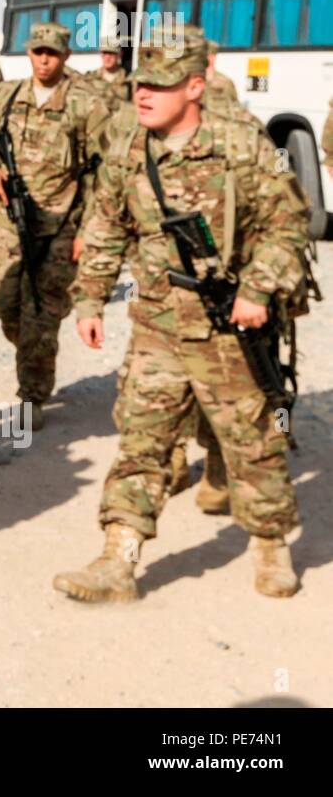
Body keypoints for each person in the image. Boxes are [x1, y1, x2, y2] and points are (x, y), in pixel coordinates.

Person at [56, 33, 306, 602]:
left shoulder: (243, 143)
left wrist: (259, 289)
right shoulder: (127, 144)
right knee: (142, 441)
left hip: (230, 327)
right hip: (158, 325)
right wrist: (90, 298)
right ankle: (117, 559)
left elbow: (289, 224)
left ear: (195, 87)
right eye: (139, 84)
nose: (143, 94)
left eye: (158, 86)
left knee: (254, 441)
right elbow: (105, 224)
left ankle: (270, 544)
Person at [0, 22, 105, 434]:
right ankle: (35, 352)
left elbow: (104, 173)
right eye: (37, 52)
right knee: (6, 304)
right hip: (9, 222)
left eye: (52, 53)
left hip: (60, 224)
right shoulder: (4, 97)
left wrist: (89, 230)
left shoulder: (86, 104)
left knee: (43, 311)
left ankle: (33, 393)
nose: (44, 59)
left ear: (65, 56)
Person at [74, 35, 131, 111]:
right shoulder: (90, 78)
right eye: (104, 53)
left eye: (111, 53)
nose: (107, 57)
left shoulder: (129, 79)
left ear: (119, 55)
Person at [205, 38, 239, 104]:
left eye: (207, 55)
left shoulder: (225, 82)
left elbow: (234, 105)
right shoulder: (192, 78)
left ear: (213, 57)